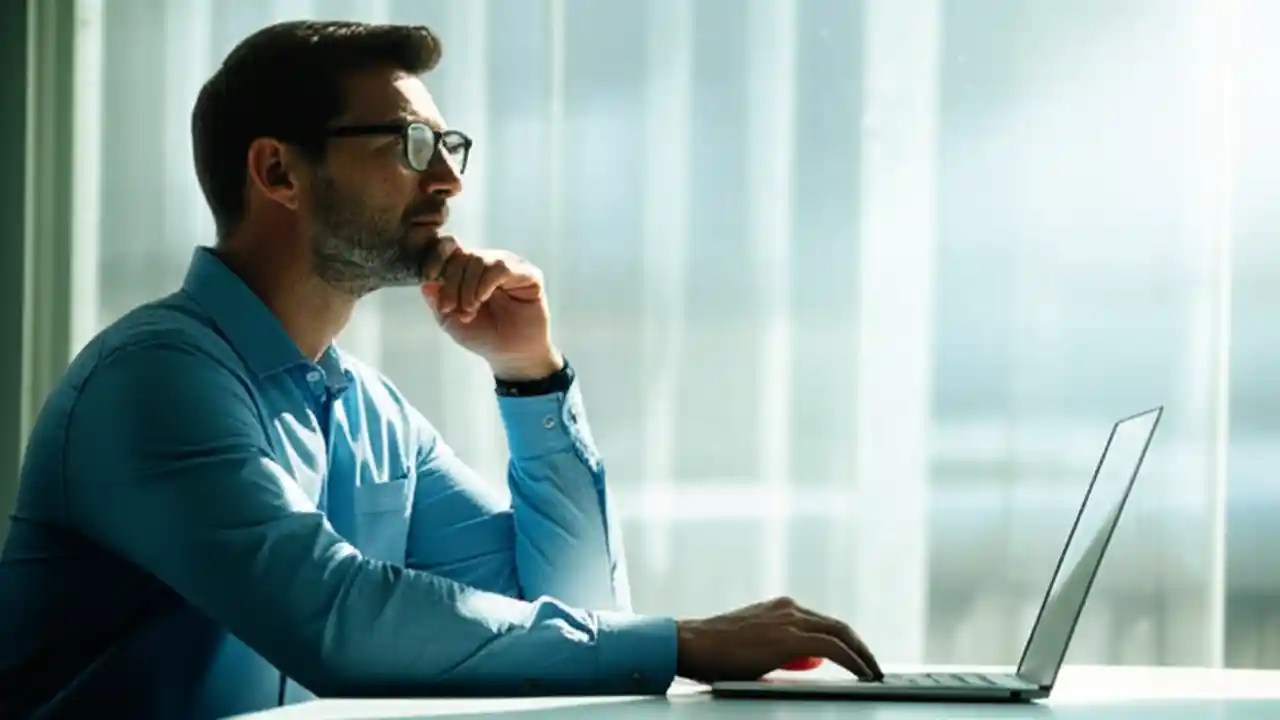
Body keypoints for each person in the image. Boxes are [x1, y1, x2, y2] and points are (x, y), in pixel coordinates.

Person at [0, 20, 881, 718]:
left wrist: (531, 377)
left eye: (448, 147)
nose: (449, 183)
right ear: (278, 172)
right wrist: (681, 642)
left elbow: (573, 607)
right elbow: (336, 624)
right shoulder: (156, 382)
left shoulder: (371, 414)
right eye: (410, 148)